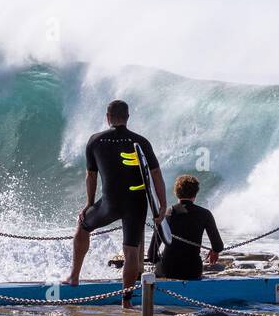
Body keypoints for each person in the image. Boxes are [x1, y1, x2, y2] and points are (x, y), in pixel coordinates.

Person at [67, 100, 166, 303]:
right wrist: (162, 205)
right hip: (136, 203)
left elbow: (91, 175)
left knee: (83, 225)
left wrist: (89, 203)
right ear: (128, 117)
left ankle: (74, 276)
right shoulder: (141, 141)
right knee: (131, 250)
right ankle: (126, 300)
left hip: (109, 203)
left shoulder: (95, 141)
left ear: (108, 117)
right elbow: (155, 173)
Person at [151, 174, 223, 281]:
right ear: (196, 193)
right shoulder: (205, 214)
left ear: (176, 193)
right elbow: (218, 246)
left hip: (168, 269)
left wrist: (160, 262)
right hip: (192, 270)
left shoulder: (166, 214)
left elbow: (151, 253)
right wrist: (215, 251)